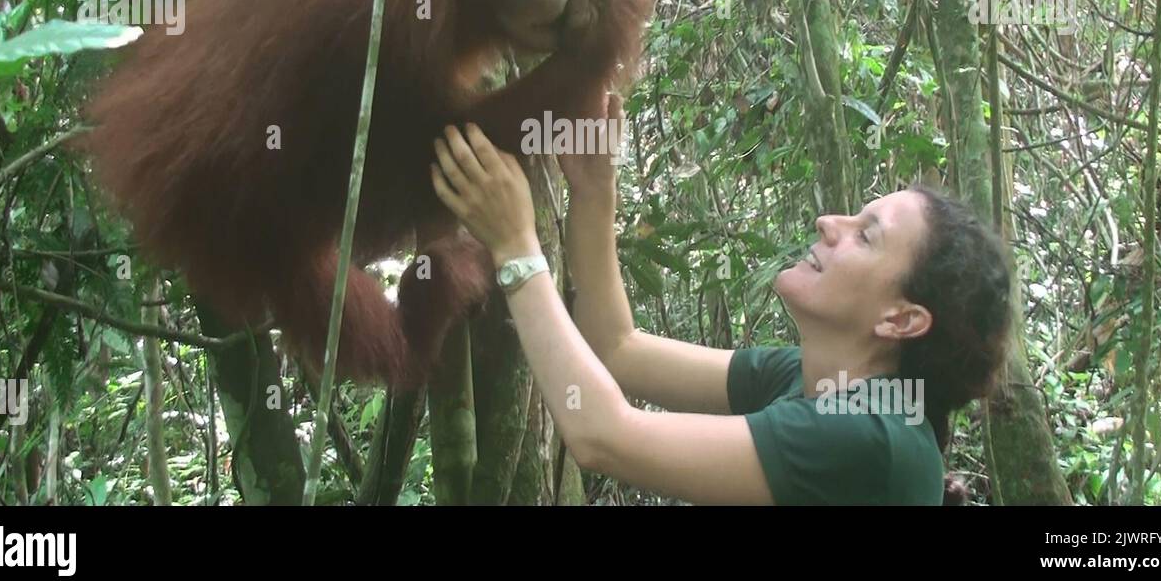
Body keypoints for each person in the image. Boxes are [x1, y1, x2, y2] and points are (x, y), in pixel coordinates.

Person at [429, 96, 1011, 505]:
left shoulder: (869, 436)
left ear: (901, 319)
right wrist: (594, 189)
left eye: (865, 235)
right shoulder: (812, 382)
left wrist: (515, 244)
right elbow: (617, 348)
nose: (828, 223)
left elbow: (601, 436)